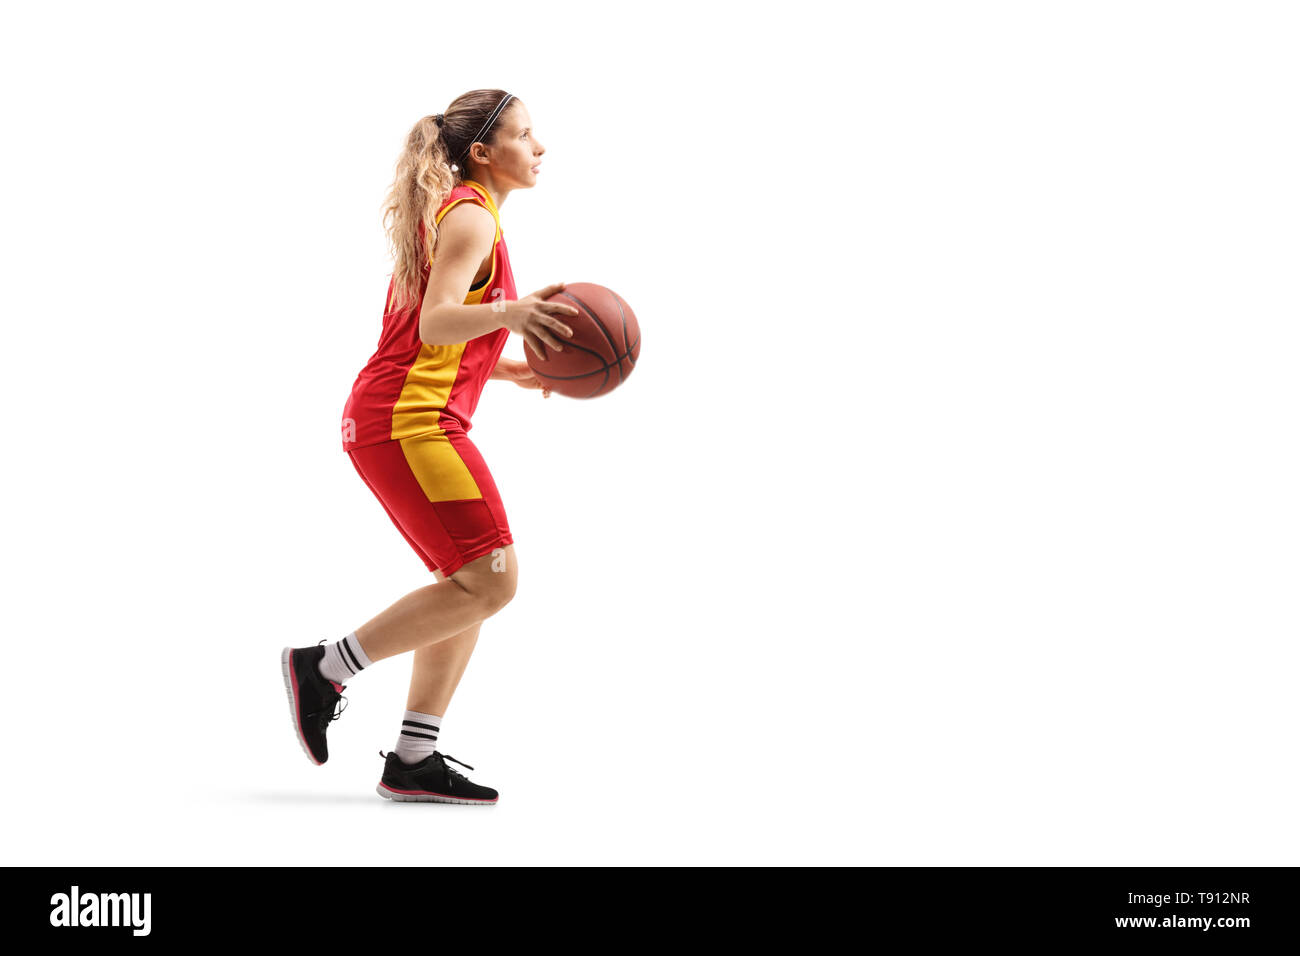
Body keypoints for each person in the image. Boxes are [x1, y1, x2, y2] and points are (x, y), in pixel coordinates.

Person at [280, 90, 579, 804]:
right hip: (408, 425)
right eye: (526, 134)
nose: (540, 147)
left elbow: (431, 332)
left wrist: (507, 367)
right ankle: (323, 669)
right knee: (494, 580)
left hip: (397, 418)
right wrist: (511, 311)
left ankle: (414, 756)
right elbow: (442, 322)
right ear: (482, 152)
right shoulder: (473, 216)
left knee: (468, 586)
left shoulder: (466, 216)